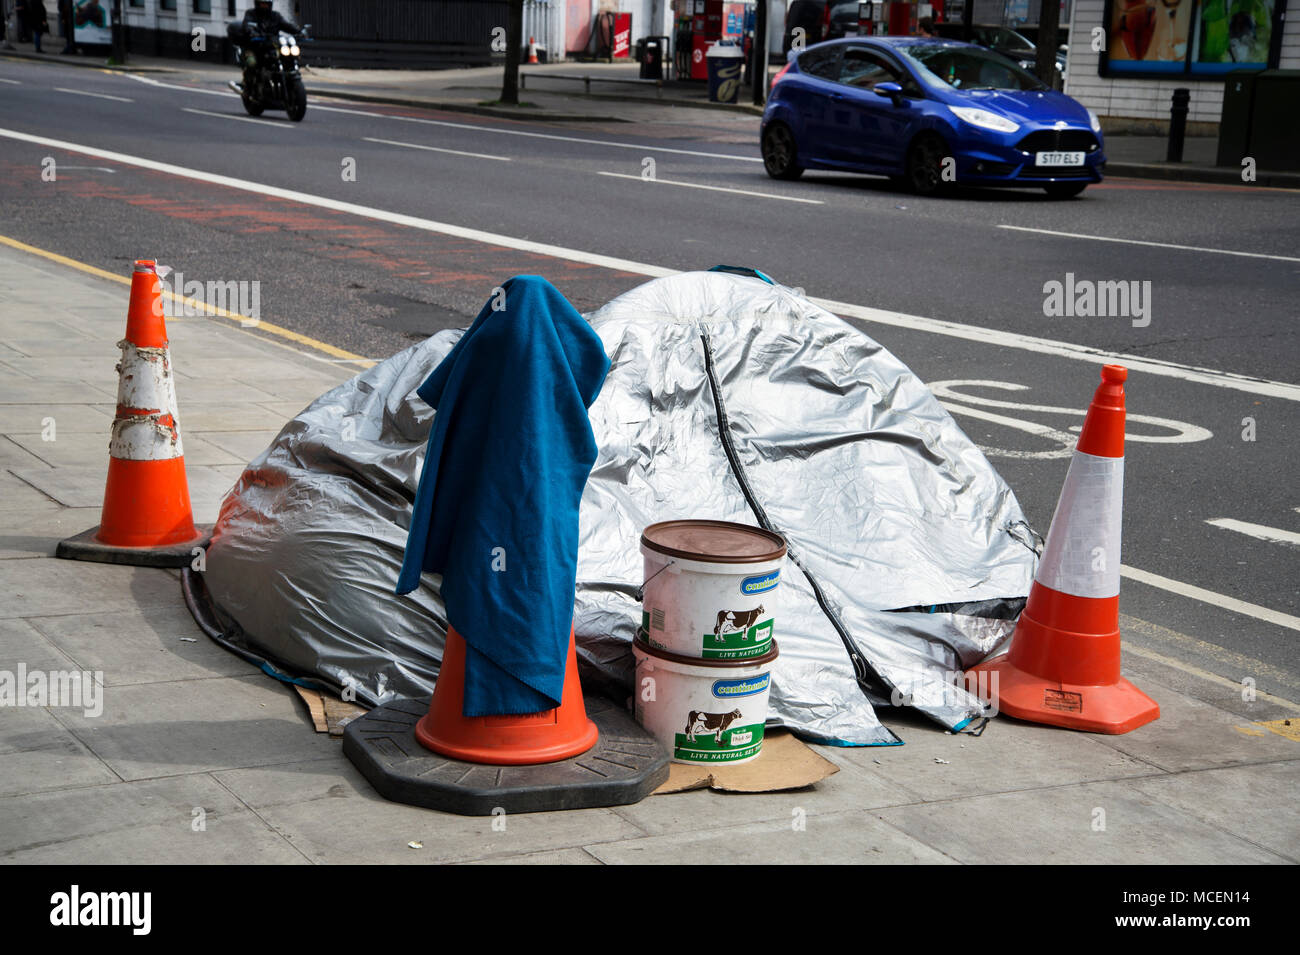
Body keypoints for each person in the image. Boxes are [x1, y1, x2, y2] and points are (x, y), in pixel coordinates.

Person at [230, 0, 300, 89]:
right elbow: (247, 26)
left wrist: (299, 31)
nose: (264, 6)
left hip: (271, 46)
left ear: (270, 4)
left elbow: (286, 25)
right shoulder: (251, 14)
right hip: (254, 47)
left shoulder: (275, 16)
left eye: (266, 4)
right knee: (251, 63)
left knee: (285, 57)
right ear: (257, 4)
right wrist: (252, 32)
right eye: (262, 3)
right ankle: (246, 85)